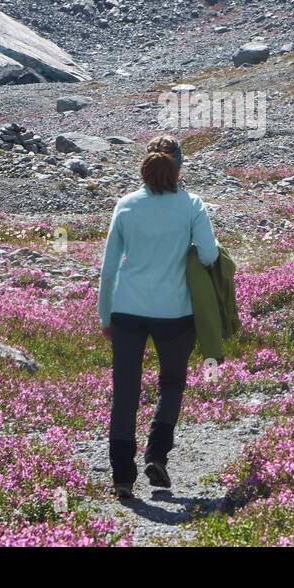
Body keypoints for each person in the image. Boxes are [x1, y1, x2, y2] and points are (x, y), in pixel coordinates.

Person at [98, 135, 219, 500]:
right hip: (174, 312)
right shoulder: (192, 205)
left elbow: (108, 270)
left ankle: (122, 476)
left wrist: (106, 314)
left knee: (125, 392)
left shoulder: (127, 205)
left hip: (127, 311)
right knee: (171, 384)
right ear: (178, 166)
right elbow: (210, 256)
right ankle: (157, 455)